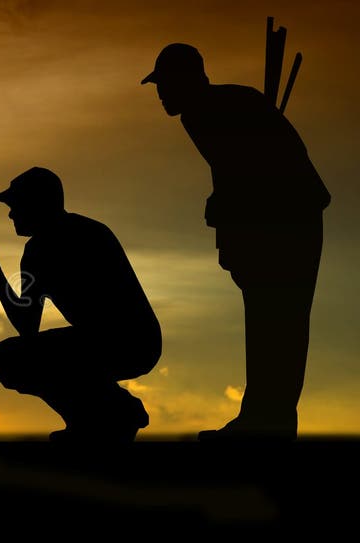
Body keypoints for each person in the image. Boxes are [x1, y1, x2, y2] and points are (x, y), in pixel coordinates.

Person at [142, 44, 331, 441]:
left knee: (277, 322)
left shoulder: (207, 112)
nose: (160, 94)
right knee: (273, 323)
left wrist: (229, 223)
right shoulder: (217, 106)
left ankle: (268, 423)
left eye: (165, 84)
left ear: (187, 80)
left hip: (287, 222)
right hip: (285, 219)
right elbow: (235, 176)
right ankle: (262, 420)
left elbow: (249, 176)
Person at [0, 167, 161, 442]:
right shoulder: (87, 231)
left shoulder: (43, 249)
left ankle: (111, 414)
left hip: (124, 340)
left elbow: (27, 326)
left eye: (15, 205)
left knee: (11, 358)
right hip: (127, 341)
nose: (10, 214)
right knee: (35, 357)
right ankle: (106, 414)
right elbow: (29, 324)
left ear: (36, 204)